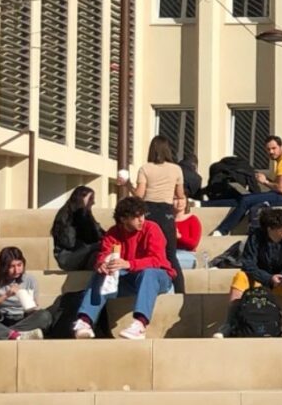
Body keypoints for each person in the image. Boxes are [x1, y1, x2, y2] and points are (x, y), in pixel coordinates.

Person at [73, 197, 176, 340]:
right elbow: (104, 254)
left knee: (149, 273)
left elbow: (157, 260)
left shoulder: (152, 228)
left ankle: (140, 325)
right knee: (101, 273)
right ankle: (84, 321)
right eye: (136, 217)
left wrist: (129, 264)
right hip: (129, 279)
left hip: (159, 277)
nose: (141, 220)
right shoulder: (113, 233)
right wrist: (102, 264)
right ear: (123, 219)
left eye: (142, 215)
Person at [223, 207, 282, 332]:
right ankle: (230, 324)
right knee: (240, 277)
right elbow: (248, 264)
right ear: (270, 229)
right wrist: (269, 278)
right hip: (260, 280)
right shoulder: (255, 237)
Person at [123, 136, 187, 293]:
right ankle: (180, 292)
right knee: (171, 255)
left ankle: (143, 288)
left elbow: (139, 195)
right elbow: (180, 194)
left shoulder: (145, 168)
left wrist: (128, 185)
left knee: (147, 253)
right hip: (167, 213)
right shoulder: (176, 169)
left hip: (149, 212)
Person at [212, 135, 282, 235]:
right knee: (243, 198)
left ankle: (222, 230)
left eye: (274, 148)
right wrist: (266, 180)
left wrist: (264, 182)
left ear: (281, 148)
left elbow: (281, 188)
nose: (271, 152)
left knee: (246, 200)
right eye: (268, 149)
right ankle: (202, 204)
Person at [0, 247, 52, 340]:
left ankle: (2, 333)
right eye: (12, 266)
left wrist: (32, 305)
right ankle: (16, 334)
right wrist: (5, 296)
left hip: (22, 320)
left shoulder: (30, 280)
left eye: (19, 265)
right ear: (4, 267)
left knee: (45, 316)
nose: (16, 270)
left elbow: (33, 309)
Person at [51, 186, 105, 272]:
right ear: (81, 199)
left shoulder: (86, 216)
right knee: (98, 246)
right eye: (90, 199)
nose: (93, 202)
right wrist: (80, 214)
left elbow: (100, 235)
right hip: (68, 257)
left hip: (83, 254)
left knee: (102, 254)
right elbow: (69, 243)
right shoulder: (65, 216)